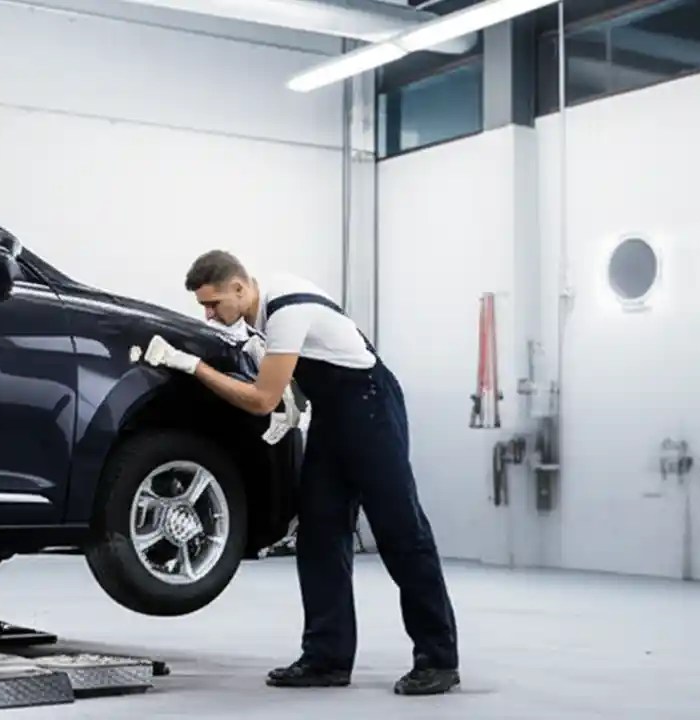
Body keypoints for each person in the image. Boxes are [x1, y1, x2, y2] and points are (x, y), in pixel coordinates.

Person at [139, 250, 460, 695]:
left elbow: (259, 399)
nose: (210, 316)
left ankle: (438, 659)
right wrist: (293, 407)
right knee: (319, 534)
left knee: (401, 532)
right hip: (334, 416)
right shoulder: (259, 319)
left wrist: (192, 367)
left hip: (370, 409)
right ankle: (326, 658)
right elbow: (297, 374)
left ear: (240, 287)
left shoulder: (287, 308)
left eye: (213, 304)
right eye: (203, 308)